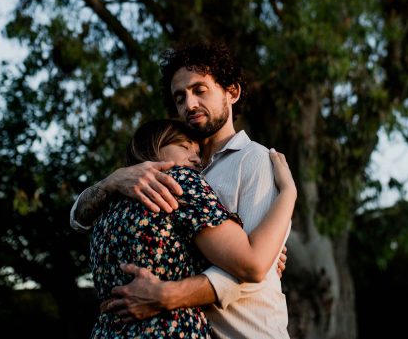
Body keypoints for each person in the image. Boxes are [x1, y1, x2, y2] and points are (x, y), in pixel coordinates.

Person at [71, 43, 292, 338]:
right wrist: (112, 181)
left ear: (232, 92)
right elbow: (78, 218)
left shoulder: (253, 159)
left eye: (200, 90)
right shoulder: (177, 169)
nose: (189, 105)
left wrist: (167, 294)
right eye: (180, 97)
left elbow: (254, 268)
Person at [90, 119, 295, 338]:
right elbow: (252, 263)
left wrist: (275, 251)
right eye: (184, 146)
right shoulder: (179, 182)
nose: (196, 159)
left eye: (197, 151)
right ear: (154, 147)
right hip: (167, 330)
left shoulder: (107, 207)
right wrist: (288, 193)